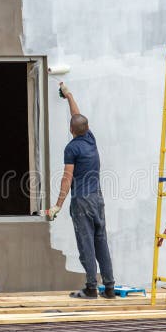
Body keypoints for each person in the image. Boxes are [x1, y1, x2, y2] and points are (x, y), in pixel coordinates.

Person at [48, 82, 115, 299]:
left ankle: (91, 288)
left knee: (86, 242)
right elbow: (77, 116)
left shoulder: (72, 148)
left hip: (82, 201)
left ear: (71, 130)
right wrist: (68, 96)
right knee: (100, 241)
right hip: (98, 199)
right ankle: (110, 287)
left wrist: (57, 205)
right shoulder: (90, 138)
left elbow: (67, 178)